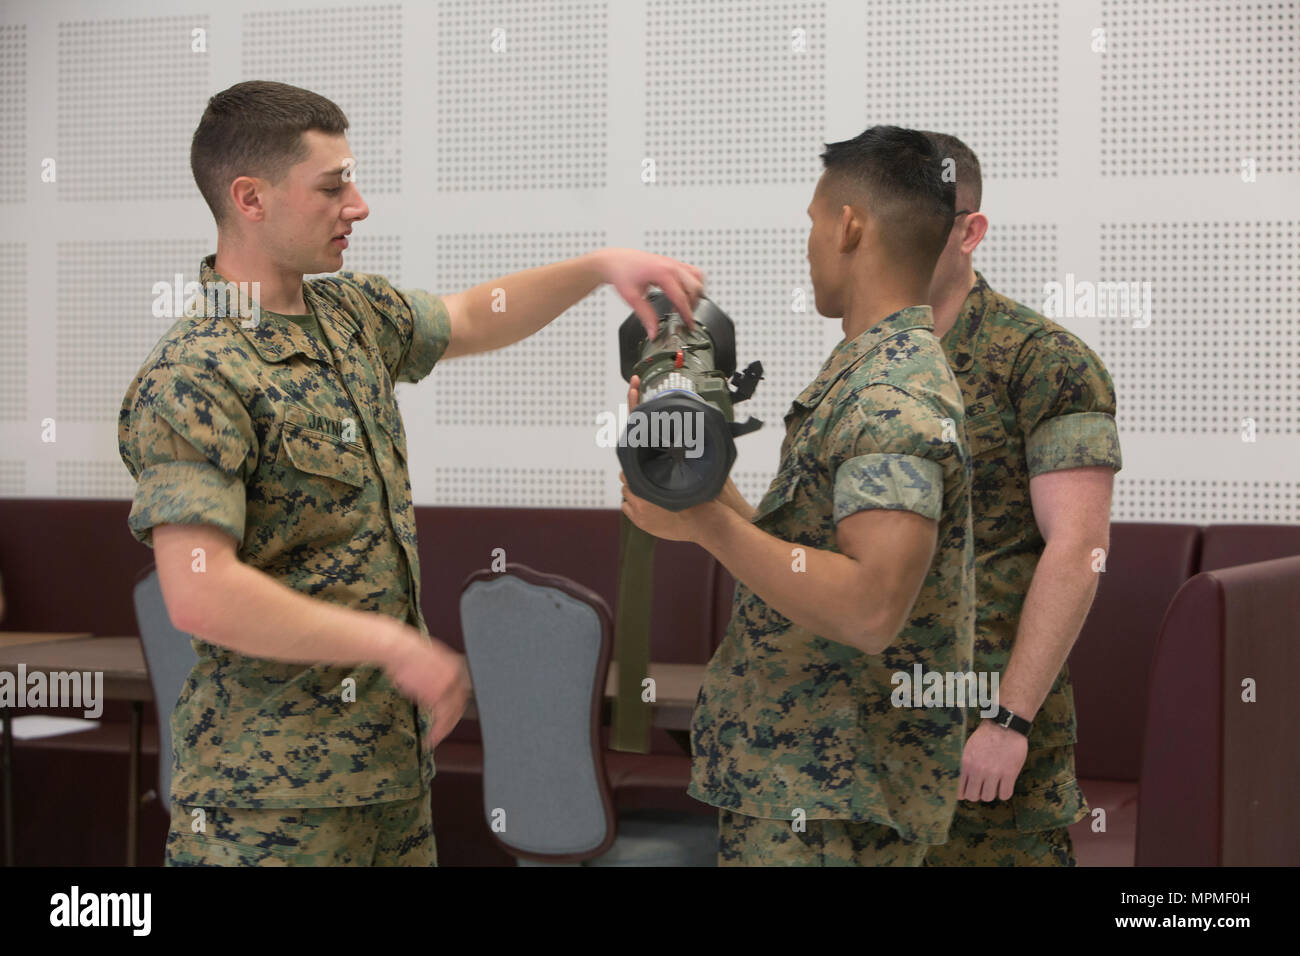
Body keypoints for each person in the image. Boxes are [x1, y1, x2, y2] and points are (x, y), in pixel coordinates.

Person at [118, 80, 703, 866]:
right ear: (250, 198)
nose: (356, 205)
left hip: (388, 778)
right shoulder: (195, 373)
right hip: (267, 803)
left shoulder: (349, 316)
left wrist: (600, 268)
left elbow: (470, 316)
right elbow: (197, 589)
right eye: (332, 187)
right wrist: (393, 648)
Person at [621, 126, 975, 866]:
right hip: (806, 784)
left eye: (813, 224)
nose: (808, 245)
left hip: (832, 798)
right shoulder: (872, 372)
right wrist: (702, 497)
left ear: (848, 226)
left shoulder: (888, 394)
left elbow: (869, 607)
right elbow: (813, 560)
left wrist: (709, 527)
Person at [919, 131, 1122, 866]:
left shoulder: (1045, 361)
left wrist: (1009, 718)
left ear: (969, 232)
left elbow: (1079, 547)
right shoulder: (865, 364)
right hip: (870, 739)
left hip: (985, 734)